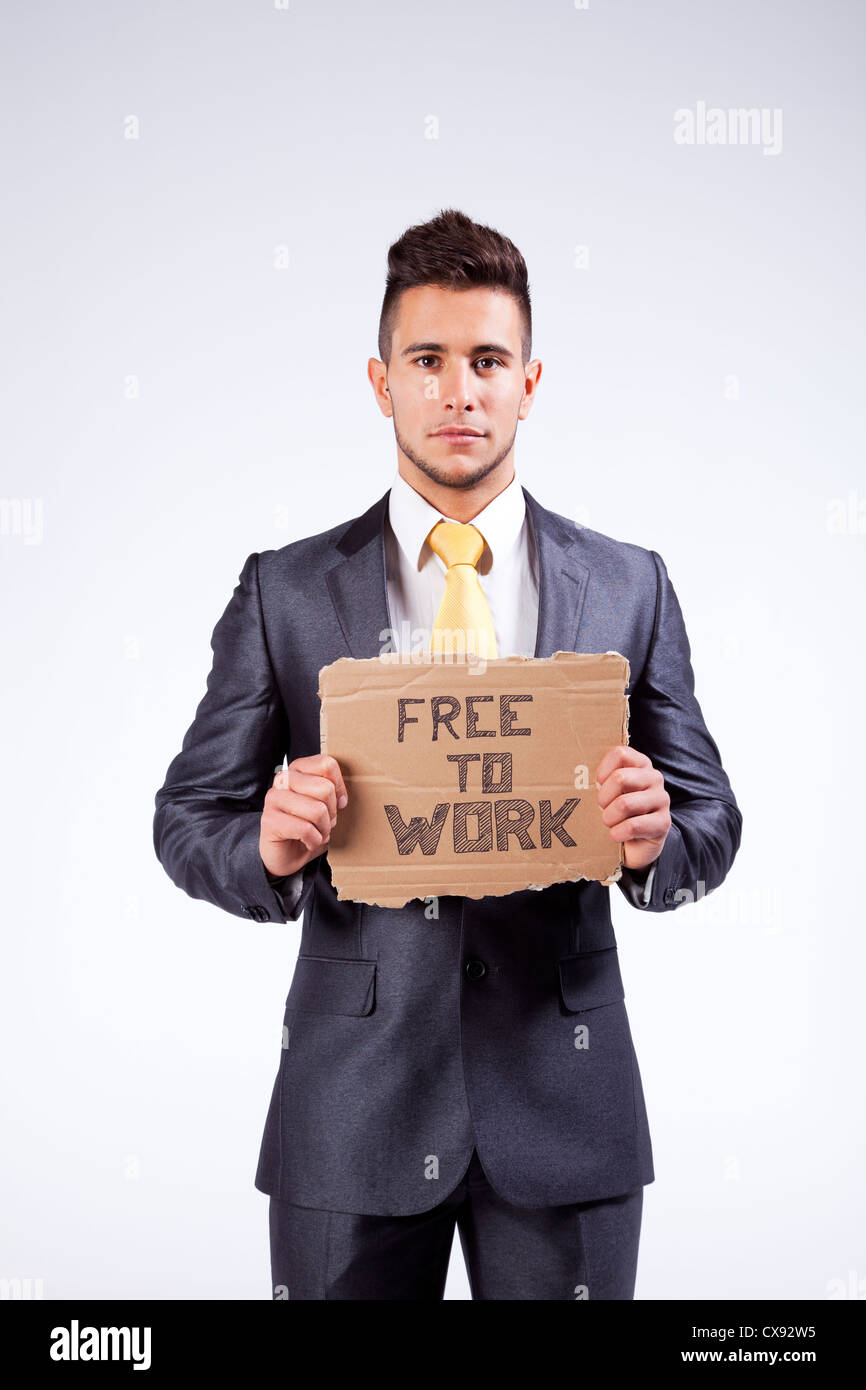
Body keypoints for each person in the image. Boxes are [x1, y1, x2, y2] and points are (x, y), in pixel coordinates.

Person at [153, 208, 742, 1300]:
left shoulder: (628, 584)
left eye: (486, 360)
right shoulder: (284, 590)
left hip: (565, 1108)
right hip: (352, 1109)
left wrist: (653, 839)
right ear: (381, 382)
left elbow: (711, 819)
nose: (457, 390)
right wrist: (270, 848)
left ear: (528, 381)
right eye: (427, 360)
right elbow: (189, 818)